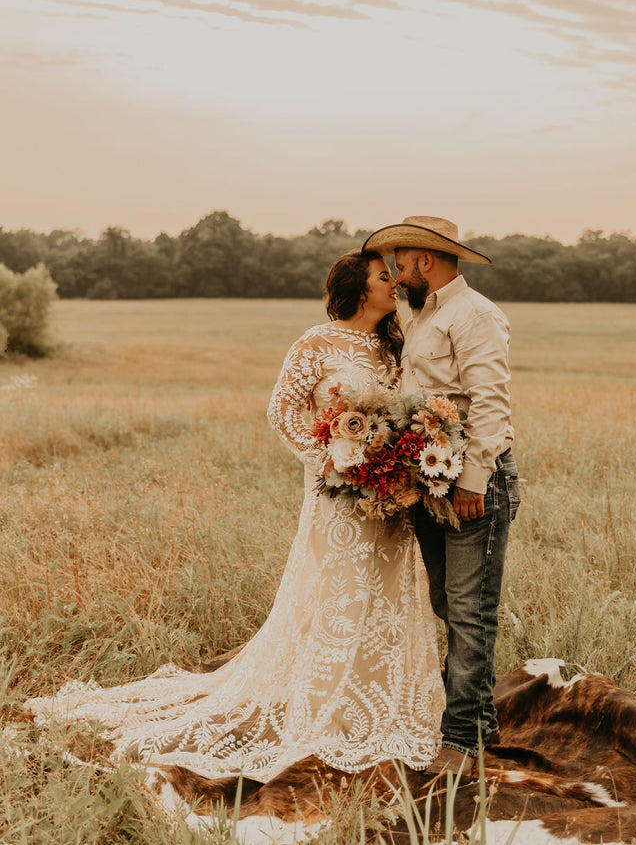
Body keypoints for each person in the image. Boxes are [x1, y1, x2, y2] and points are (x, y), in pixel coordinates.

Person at [25, 250, 444, 796]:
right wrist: (332, 459)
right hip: (338, 494)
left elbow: (406, 411)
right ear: (357, 287)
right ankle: (324, 706)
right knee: (338, 589)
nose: (395, 283)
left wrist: (398, 462)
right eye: (384, 275)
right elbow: (282, 409)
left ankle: (379, 697)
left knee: (386, 593)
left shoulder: (397, 346)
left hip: (389, 496)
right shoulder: (314, 344)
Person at [362, 216, 521, 776]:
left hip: (475, 482)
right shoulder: (426, 315)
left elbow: (490, 402)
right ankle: (480, 722)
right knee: (448, 606)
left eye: (401, 265)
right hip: (433, 482)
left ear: (426, 261)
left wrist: (475, 480)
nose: (396, 276)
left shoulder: (475, 315)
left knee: (471, 613)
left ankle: (462, 743)